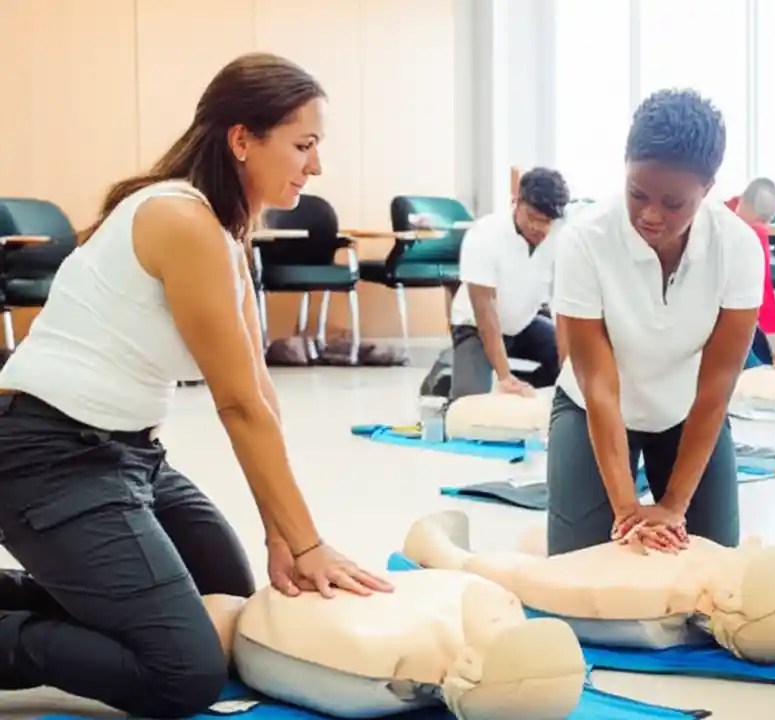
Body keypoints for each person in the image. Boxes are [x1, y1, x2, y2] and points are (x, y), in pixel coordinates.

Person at [0, 53, 391, 718]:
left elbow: (259, 392)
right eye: (304, 145)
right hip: (45, 456)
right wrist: (306, 543)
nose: (316, 166)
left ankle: (72, 591)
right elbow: (235, 405)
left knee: (227, 595)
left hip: (129, 456)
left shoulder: (224, 235)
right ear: (242, 140)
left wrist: (281, 535)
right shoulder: (179, 219)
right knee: (183, 672)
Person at [548, 89, 763, 556]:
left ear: (707, 189)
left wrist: (674, 505)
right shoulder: (585, 240)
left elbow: (717, 384)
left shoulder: (739, 248)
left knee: (713, 568)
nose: (650, 215)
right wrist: (627, 511)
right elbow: (597, 383)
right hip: (592, 409)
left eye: (674, 203)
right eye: (637, 193)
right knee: (580, 568)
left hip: (687, 411)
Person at [448, 167, 571, 400]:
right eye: (531, 218)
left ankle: (520, 388)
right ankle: (448, 375)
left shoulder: (563, 236)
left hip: (523, 325)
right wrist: (504, 376)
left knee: (577, 366)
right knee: (470, 402)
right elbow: (485, 311)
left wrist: (567, 370)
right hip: (475, 326)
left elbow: (563, 305)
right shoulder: (485, 234)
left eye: (546, 222)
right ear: (517, 202)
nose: (538, 228)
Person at [727, 177, 775, 368]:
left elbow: (761, 290)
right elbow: (763, 290)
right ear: (743, 202)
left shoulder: (740, 220)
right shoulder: (751, 231)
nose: (761, 226)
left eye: (766, 222)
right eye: (759, 220)